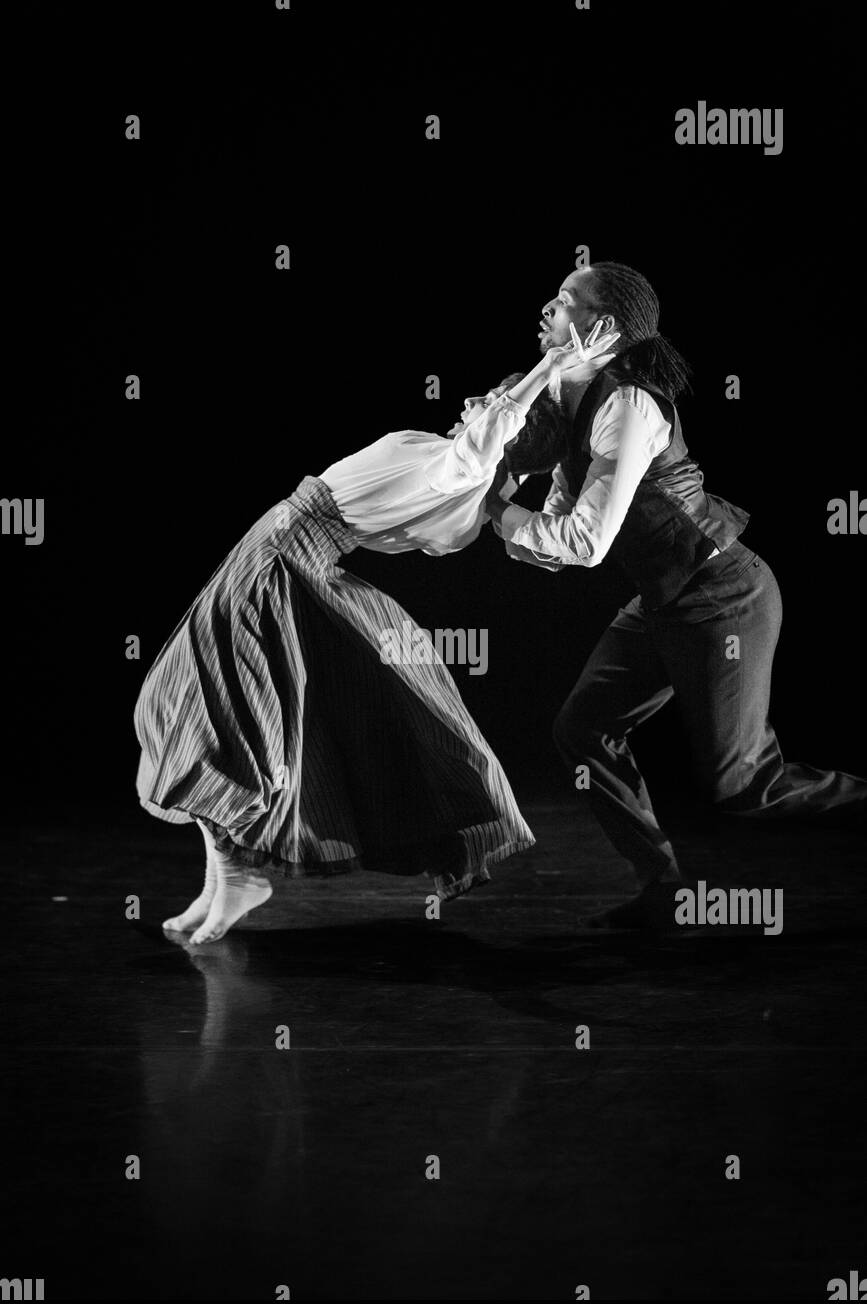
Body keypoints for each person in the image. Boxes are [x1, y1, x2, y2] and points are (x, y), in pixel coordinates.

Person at [133, 330, 617, 944]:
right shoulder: (449, 465)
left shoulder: (455, 470)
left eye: (494, 402)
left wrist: (549, 366)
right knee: (205, 715)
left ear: (507, 433)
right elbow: (492, 447)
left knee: (208, 721)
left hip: (276, 568)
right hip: (269, 561)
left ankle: (237, 877)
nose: (477, 401)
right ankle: (223, 880)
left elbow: (484, 448)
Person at [485, 261, 867, 929]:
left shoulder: (628, 405)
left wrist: (494, 510)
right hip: (661, 603)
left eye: (564, 300)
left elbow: (583, 543)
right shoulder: (572, 401)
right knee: (582, 729)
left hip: (723, 597)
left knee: (744, 787)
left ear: (602, 327)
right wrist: (499, 477)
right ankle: (663, 887)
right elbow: (555, 539)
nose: (546, 308)